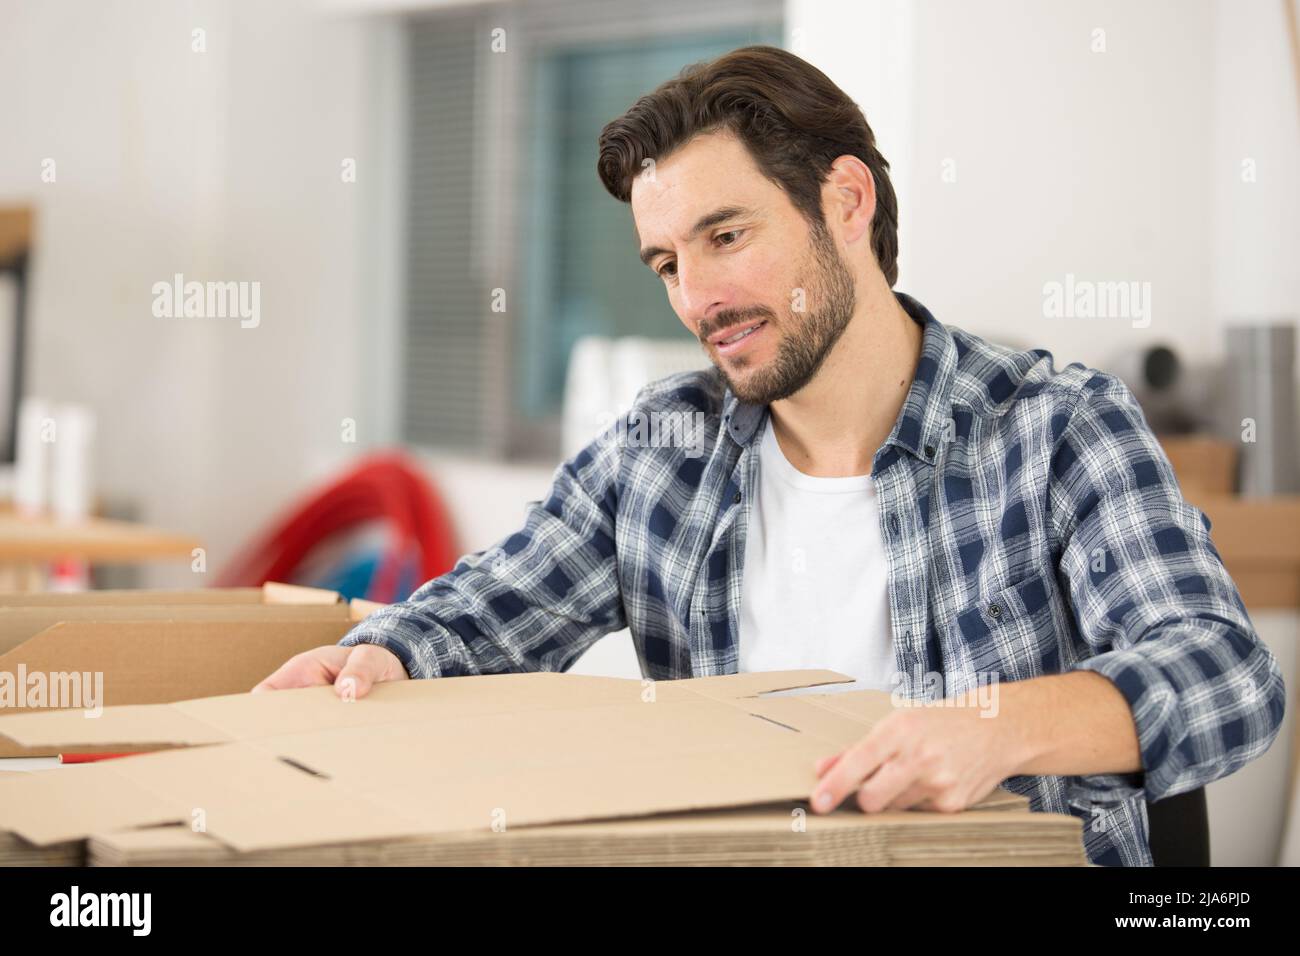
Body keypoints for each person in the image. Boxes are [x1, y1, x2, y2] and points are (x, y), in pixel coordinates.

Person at [254, 45, 1285, 867]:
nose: (694, 297)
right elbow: (495, 602)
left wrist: (996, 727)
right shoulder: (662, 449)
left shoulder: (1057, 427)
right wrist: (380, 650)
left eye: (726, 234)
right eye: (666, 260)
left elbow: (1223, 674)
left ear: (845, 201)